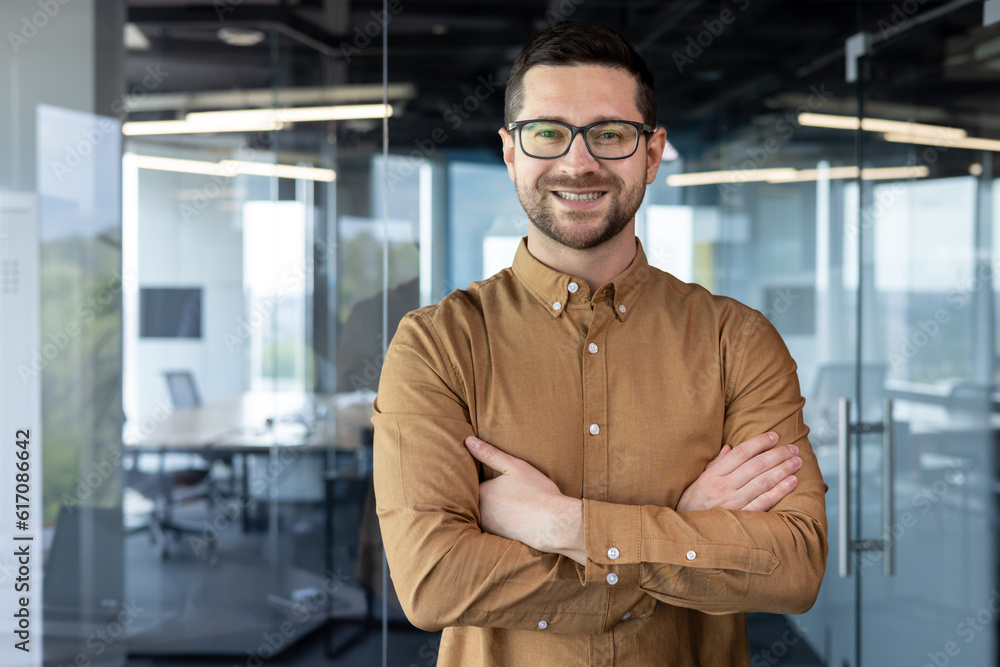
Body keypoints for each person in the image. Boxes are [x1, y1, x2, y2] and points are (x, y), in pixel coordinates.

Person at [372, 21, 827, 666]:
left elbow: (792, 567)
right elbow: (433, 581)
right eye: (547, 132)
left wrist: (563, 525)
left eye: (609, 134)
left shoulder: (739, 341)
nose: (578, 161)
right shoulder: (437, 345)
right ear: (510, 151)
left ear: (651, 152)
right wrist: (680, 532)